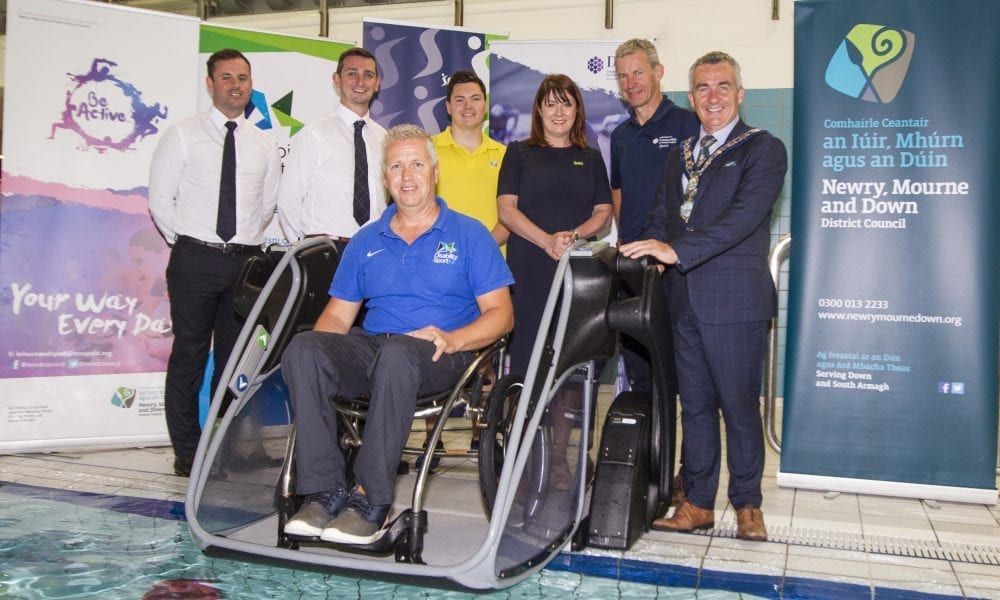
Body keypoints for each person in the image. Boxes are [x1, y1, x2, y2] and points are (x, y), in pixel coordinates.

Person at [281, 124, 514, 545]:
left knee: (398, 354)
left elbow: (501, 315)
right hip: (376, 348)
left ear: (434, 172)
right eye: (396, 167)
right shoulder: (366, 241)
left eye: (416, 165)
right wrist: (322, 353)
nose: (407, 176)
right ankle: (322, 491)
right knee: (303, 348)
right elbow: (337, 316)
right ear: (385, 178)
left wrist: (455, 338)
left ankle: (370, 499)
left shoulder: (469, 234)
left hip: (443, 353)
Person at [620, 51, 787, 541]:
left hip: (734, 302)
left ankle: (748, 505)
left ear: (739, 94)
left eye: (722, 86)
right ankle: (696, 502)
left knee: (738, 407)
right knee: (693, 407)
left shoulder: (763, 149)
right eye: (702, 89)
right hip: (682, 301)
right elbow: (661, 214)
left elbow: (743, 219)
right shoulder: (682, 153)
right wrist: (633, 248)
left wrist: (674, 249)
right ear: (690, 98)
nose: (712, 96)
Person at [148, 49, 281, 477]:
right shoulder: (183, 135)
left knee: (235, 360)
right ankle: (187, 450)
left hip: (245, 263)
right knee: (189, 354)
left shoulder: (263, 143)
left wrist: (242, 244)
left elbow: (266, 206)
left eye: (243, 78)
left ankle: (228, 448)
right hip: (194, 258)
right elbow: (160, 200)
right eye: (227, 77)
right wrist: (189, 243)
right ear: (210, 83)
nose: (236, 85)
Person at [612, 38, 700, 509]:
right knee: (641, 371)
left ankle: (685, 475)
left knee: (685, 375)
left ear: (658, 72)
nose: (631, 83)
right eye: (623, 76)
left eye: (638, 72)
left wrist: (670, 247)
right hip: (634, 268)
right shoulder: (621, 135)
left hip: (676, 268)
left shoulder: (687, 124)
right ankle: (647, 461)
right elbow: (620, 195)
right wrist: (629, 245)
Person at [497, 74, 612, 379]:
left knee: (569, 357)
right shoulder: (519, 153)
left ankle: (563, 426)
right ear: (538, 110)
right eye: (551, 105)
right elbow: (506, 210)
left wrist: (572, 237)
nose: (559, 113)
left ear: (577, 111)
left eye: (566, 104)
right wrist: (546, 241)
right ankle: (519, 424)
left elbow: (604, 212)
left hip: (575, 269)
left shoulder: (590, 158)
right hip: (529, 269)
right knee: (526, 352)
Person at [278, 47, 388, 253]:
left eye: (368, 75)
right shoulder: (315, 133)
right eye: (352, 74)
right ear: (337, 80)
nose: (360, 82)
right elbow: (288, 198)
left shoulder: (384, 139)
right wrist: (305, 248)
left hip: (372, 250)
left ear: (377, 83)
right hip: (325, 248)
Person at [433, 70, 508, 246]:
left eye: (475, 99)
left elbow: (512, 214)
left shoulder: (506, 156)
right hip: (438, 262)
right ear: (448, 107)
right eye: (460, 100)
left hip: (490, 262)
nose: (468, 106)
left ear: (486, 105)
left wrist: (480, 249)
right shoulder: (426, 150)